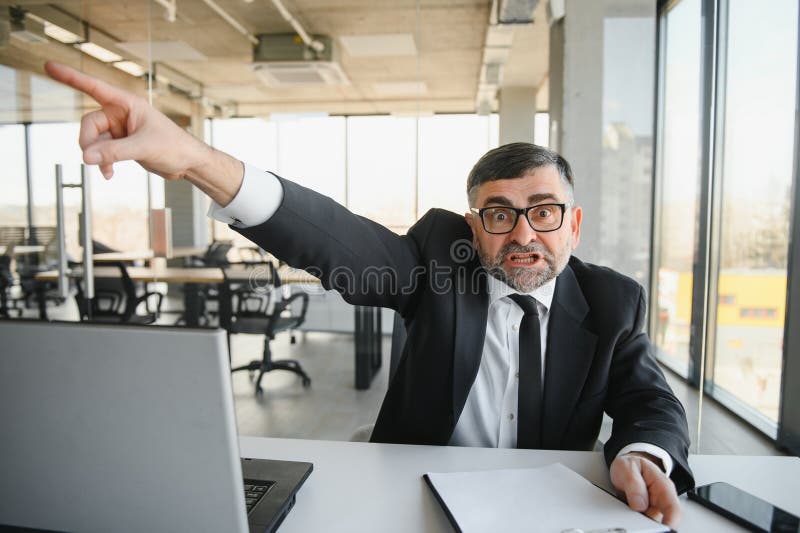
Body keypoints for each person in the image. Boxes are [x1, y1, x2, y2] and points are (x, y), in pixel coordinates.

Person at [44, 61, 692, 527]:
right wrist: (194, 161)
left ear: (573, 224)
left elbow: (651, 402)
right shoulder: (440, 260)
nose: (523, 233)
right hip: (415, 499)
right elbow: (335, 241)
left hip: (554, 511)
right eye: (499, 214)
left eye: (544, 211)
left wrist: (641, 453)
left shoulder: (613, 302)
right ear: (473, 228)